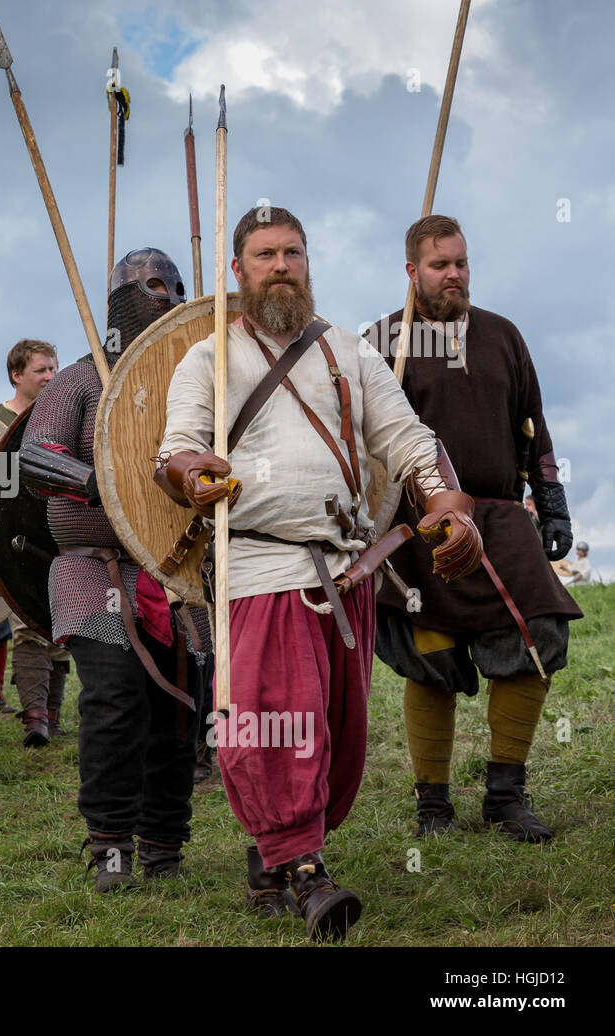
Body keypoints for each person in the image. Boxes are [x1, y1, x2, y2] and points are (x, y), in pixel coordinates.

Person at [157, 209, 482, 939]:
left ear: (309, 262)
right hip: (261, 566)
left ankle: (272, 860)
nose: (282, 265)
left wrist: (448, 501)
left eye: (293, 252)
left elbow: (408, 441)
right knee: (276, 725)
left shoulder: (348, 351)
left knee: (335, 733)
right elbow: (172, 452)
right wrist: (192, 474)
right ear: (238, 270)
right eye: (265, 254)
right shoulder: (207, 358)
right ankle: (306, 872)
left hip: (346, 569)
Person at [368, 214, 583, 845]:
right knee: (429, 657)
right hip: (421, 521)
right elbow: (359, 447)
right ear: (413, 271)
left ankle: (505, 794)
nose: (455, 274)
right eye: (440, 265)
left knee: (537, 635)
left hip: (497, 512)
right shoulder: (382, 343)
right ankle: (432, 802)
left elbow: (532, 426)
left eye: (461, 262)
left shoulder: (502, 336)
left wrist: (552, 497)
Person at [22, 248, 203, 890]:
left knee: (180, 707)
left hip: (177, 569)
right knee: (115, 700)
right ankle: (110, 846)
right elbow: (36, 459)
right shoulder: (80, 380)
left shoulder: (198, 379)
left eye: (177, 285)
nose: (168, 294)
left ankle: (162, 844)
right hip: (94, 569)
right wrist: (100, 480)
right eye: (154, 285)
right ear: (123, 298)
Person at [0, 339, 70, 745]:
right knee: (27, 625)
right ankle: (34, 718)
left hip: (58, 534)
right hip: (13, 538)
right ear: (17, 375)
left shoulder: (63, 418)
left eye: (54, 368)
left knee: (60, 622)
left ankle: (52, 715)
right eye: (41, 370)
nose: (50, 377)